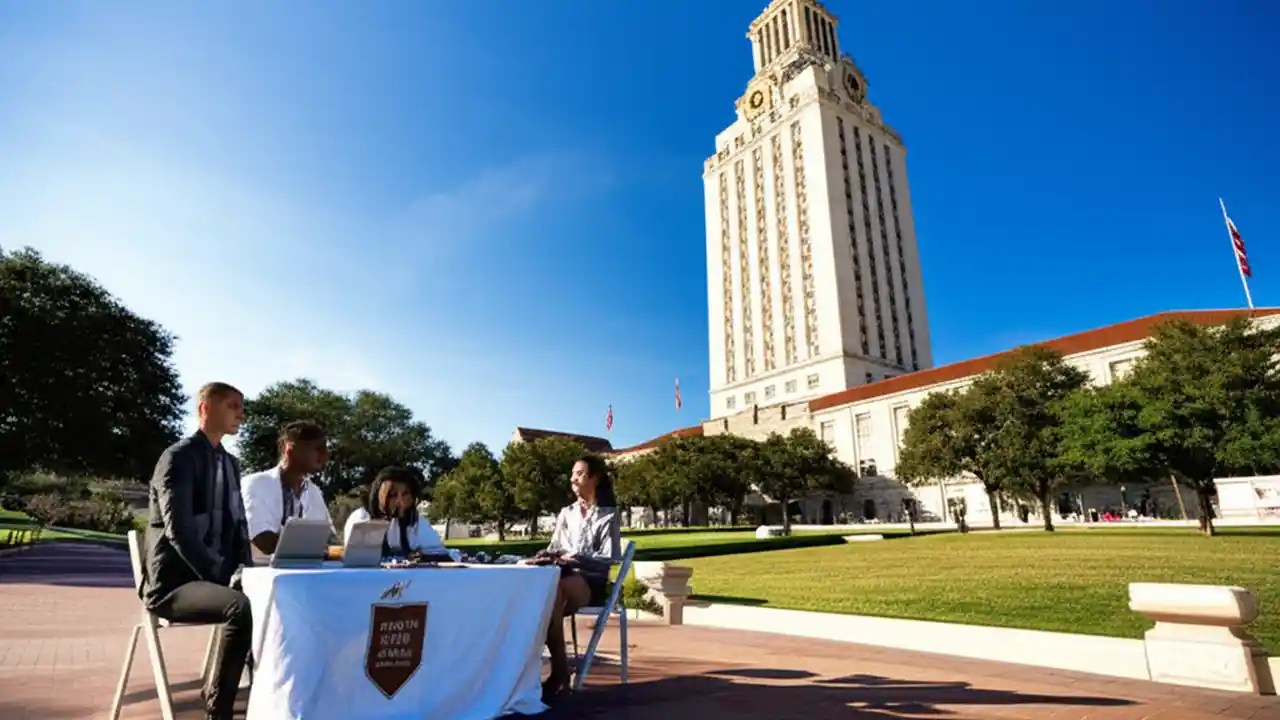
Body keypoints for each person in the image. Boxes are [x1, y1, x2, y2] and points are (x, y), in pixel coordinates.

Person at [139, 382, 253, 720]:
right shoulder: (178, 458)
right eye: (233, 406)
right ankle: (219, 710)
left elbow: (238, 528)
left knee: (270, 598)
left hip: (214, 581)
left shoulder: (232, 464)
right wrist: (223, 577)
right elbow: (180, 533)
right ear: (205, 409)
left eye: (241, 407)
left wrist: (250, 573)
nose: (241, 415)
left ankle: (268, 698)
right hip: (172, 585)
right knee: (239, 606)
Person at [526, 453, 621, 703]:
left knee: (551, 594)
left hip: (590, 580)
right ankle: (558, 673)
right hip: (561, 577)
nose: (573, 479)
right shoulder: (566, 513)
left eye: (579, 474)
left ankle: (558, 674)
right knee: (546, 594)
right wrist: (548, 555)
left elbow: (609, 557)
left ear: (595, 478)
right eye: (572, 475)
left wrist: (574, 557)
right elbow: (554, 545)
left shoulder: (608, 515)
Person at [240, 420, 334, 557]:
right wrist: (314, 548)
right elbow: (264, 541)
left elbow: (328, 539)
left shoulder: (313, 492)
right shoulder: (256, 484)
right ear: (290, 449)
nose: (324, 455)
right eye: (318, 449)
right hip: (258, 572)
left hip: (300, 572)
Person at [343, 466, 449, 560]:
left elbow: (439, 553)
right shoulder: (362, 519)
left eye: (405, 494)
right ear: (377, 495)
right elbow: (357, 560)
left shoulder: (415, 521)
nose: (400, 501)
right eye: (392, 495)